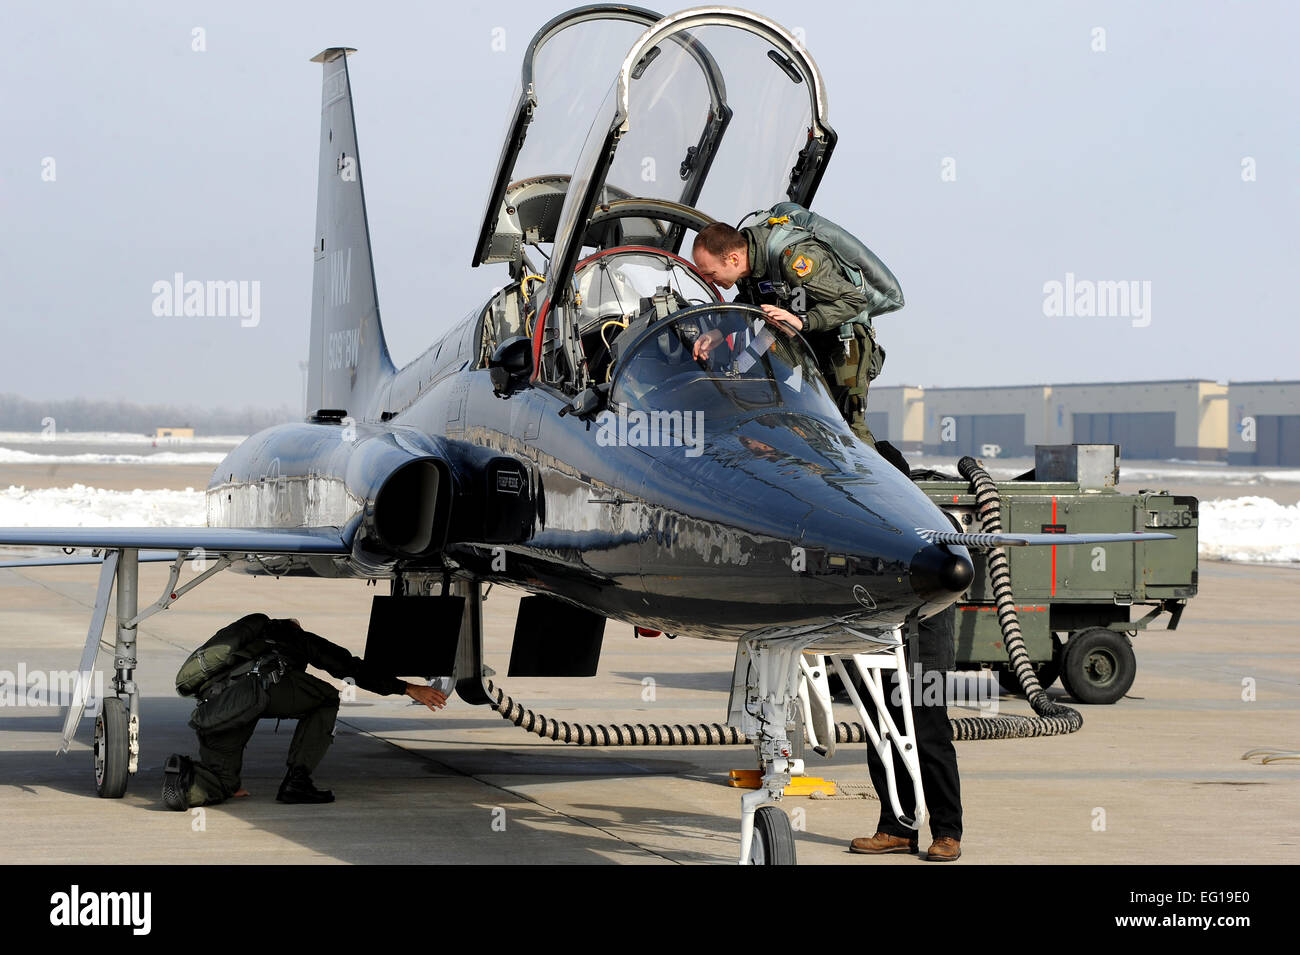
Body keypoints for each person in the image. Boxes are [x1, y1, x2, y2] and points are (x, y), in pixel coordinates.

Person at [162, 613, 446, 810]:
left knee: (222, 783)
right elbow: (349, 667)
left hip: (217, 703)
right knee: (326, 699)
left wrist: (231, 783)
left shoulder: (241, 641)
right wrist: (406, 687)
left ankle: (186, 782)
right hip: (266, 687)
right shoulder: (296, 637)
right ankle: (297, 782)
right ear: (294, 627)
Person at [691, 220, 886, 446]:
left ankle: (868, 479)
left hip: (842, 339)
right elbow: (751, 304)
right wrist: (718, 332)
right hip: (801, 338)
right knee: (799, 415)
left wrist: (803, 321)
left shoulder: (793, 258)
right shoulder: (751, 267)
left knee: (846, 425)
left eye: (710, 273)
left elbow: (853, 300)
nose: (707, 280)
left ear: (733, 259)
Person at [849, 605, 963, 861]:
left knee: (930, 738)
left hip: (925, 643)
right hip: (879, 640)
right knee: (884, 739)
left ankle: (947, 832)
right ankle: (896, 829)